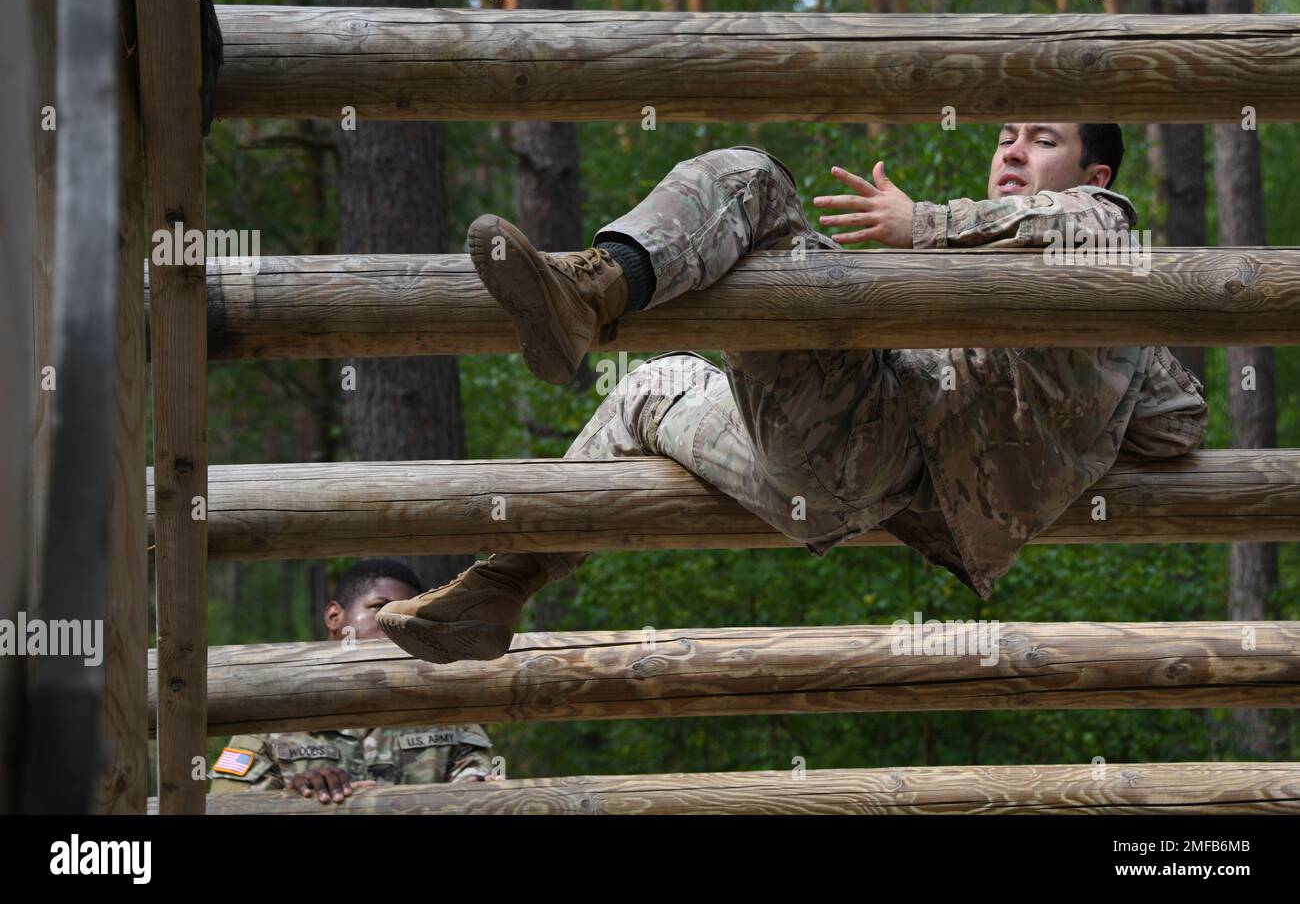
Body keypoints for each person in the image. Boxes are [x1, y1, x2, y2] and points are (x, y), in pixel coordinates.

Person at [376, 123, 1208, 665]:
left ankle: (596, 291)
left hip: (879, 450)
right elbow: (1173, 427)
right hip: (840, 463)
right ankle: (504, 584)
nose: (1012, 153)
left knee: (754, 180)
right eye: (1005, 137)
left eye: (1043, 140)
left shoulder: (1091, 233)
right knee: (649, 386)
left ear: (1092, 172)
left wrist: (927, 227)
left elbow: (1097, 235)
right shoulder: (990, 265)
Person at [209, 559, 494, 803]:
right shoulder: (277, 712)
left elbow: (476, 788)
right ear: (335, 616)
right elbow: (226, 803)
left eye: (412, 617)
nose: (399, 625)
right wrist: (298, 799)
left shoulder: (444, 712)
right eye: (381, 608)